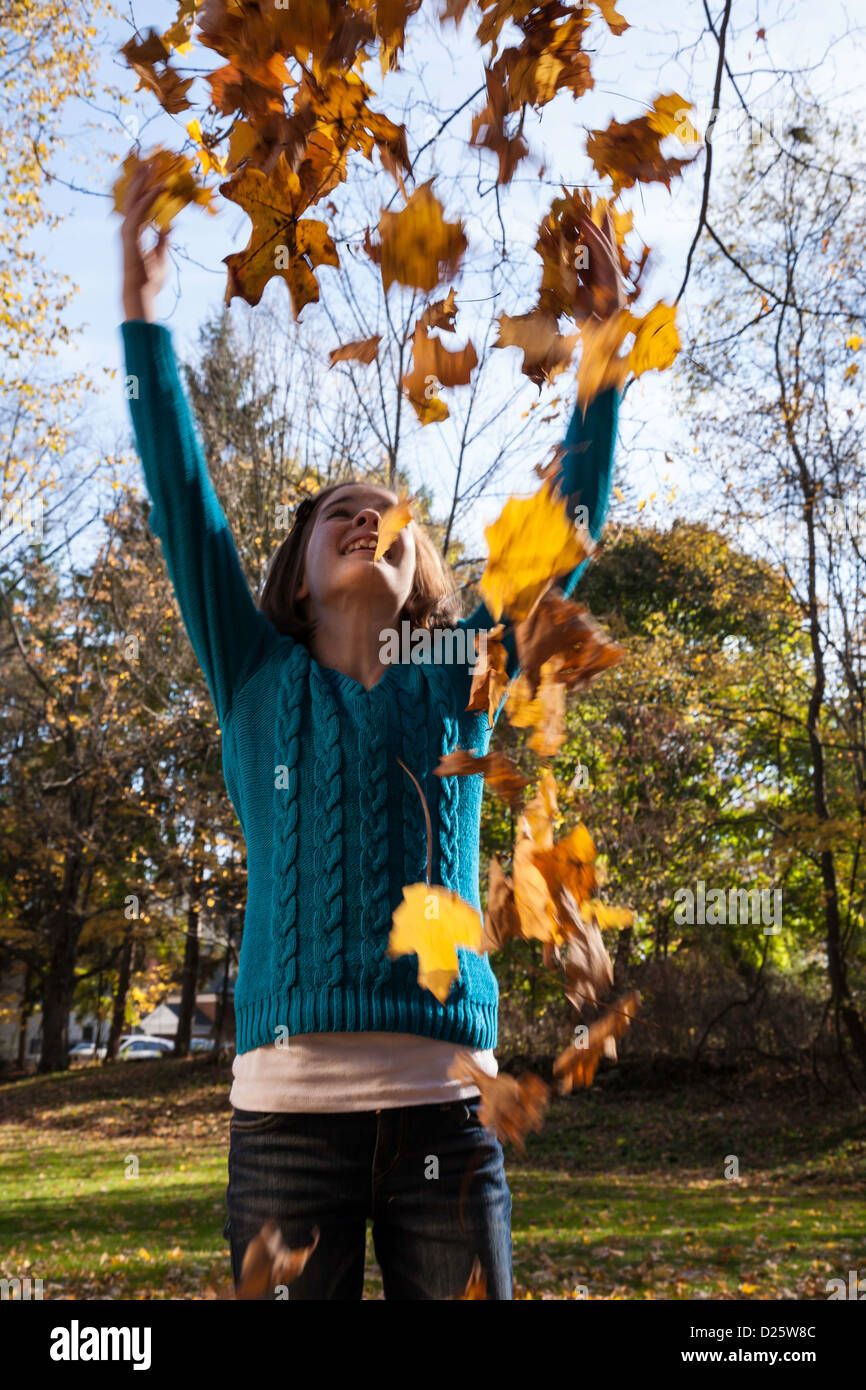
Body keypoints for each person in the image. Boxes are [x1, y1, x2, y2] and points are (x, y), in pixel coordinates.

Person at [119, 164, 622, 1300]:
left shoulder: (459, 673)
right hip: (286, 1130)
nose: (365, 514)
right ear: (295, 578)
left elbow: (569, 532)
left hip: (450, 1114)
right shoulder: (253, 679)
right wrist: (143, 321)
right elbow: (178, 489)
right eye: (336, 512)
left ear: (423, 577)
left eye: (389, 514)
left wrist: (600, 359)